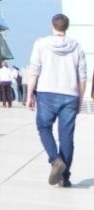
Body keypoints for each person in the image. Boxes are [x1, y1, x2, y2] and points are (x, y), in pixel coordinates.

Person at [27, 13, 87, 187]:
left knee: (43, 127)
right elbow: (82, 77)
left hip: (47, 93)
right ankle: (64, 178)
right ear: (67, 27)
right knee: (66, 136)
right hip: (70, 95)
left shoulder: (41, 44)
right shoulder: (77, 47)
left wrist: (29, 94)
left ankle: (55, 160)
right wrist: (80, 99)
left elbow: (34, 71)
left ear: (52, 25)